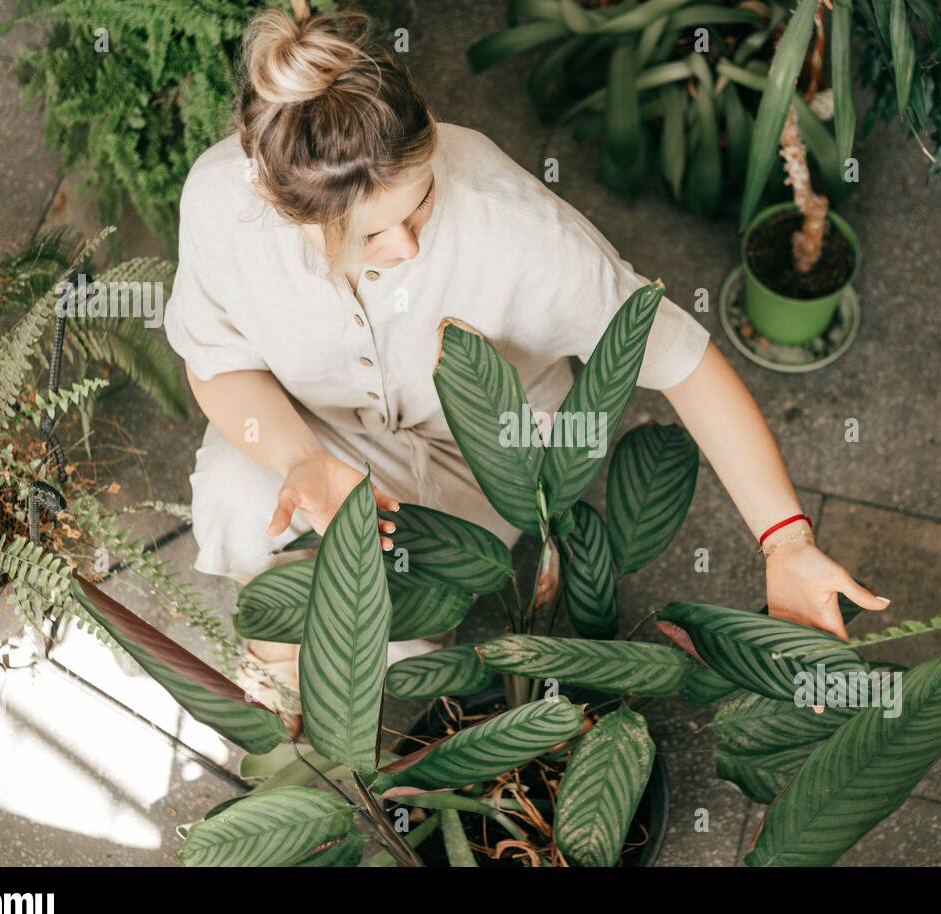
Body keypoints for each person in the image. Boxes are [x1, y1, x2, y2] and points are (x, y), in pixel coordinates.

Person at [163, 2, 889, 709]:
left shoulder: (514, 227)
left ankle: (389, 641)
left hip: (479, 452)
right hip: (315, 424)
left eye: (421, 203)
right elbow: (217, 363)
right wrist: (300, 459)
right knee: (237, 499)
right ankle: (278, 665)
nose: (409, 245)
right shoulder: (222, 202)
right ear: (278, 202)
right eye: (372, 238)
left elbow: (684, 362)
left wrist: (785, 542)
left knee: (399, 620)